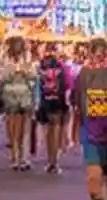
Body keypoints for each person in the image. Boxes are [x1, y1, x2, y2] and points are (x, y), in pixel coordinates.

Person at [72, 37, 107, 200]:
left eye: (103, 52)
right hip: (90, 131)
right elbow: (77, 102)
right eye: (96, 52)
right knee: (94, 176)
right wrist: (76, 127)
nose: (99, 56)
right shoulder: (83, 73)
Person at [0, 34, 36, 171]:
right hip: (10, 96)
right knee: (12, 127)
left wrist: (24, 70)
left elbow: (33, 76)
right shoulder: (6, 58)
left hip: (24, 96)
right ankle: (15, 155)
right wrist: (14, 71)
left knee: (23, 128)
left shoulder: (27, 59)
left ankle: (21, 156)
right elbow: (2, 76)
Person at [37, 42, 68, 174]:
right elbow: (65, 85)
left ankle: (50, 160)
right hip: (58, 101)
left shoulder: (41, 66)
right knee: (55, 131)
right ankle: (55, 161)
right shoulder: (61, 67)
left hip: (46, 101)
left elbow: (38, 85)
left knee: (49, 131)